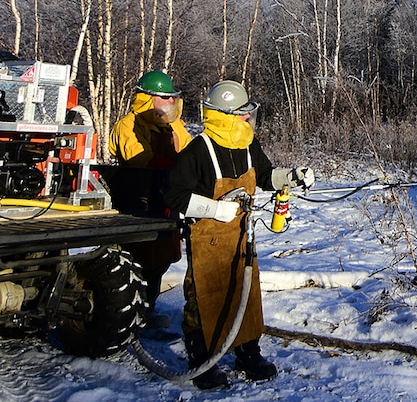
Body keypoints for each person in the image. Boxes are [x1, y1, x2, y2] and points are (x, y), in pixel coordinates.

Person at [165, 80, 314, 390]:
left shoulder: (248, 144)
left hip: (242, 236)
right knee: (202, 299)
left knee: (246, 294)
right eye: (243, 114)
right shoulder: (198, 151)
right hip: (207, 240)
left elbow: (264, 176)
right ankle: (202, 362)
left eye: (250, 114)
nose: (249, 119)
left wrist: (293, 176)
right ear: (226, 115)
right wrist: (213, 209)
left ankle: (248, 354)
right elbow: (175, 195)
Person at [107, 69, 192, 326]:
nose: (170, 103)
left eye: (172, 98)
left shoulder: (173, 125)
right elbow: (139, 158)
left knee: (162, 257)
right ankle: (130, 313)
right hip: (137, 202)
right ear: (148, 98)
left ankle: (149, 308)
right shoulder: (128, 125)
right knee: (138, 258)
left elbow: (189, 149)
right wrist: (176, 167)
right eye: (165, 98)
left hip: (166, 200)